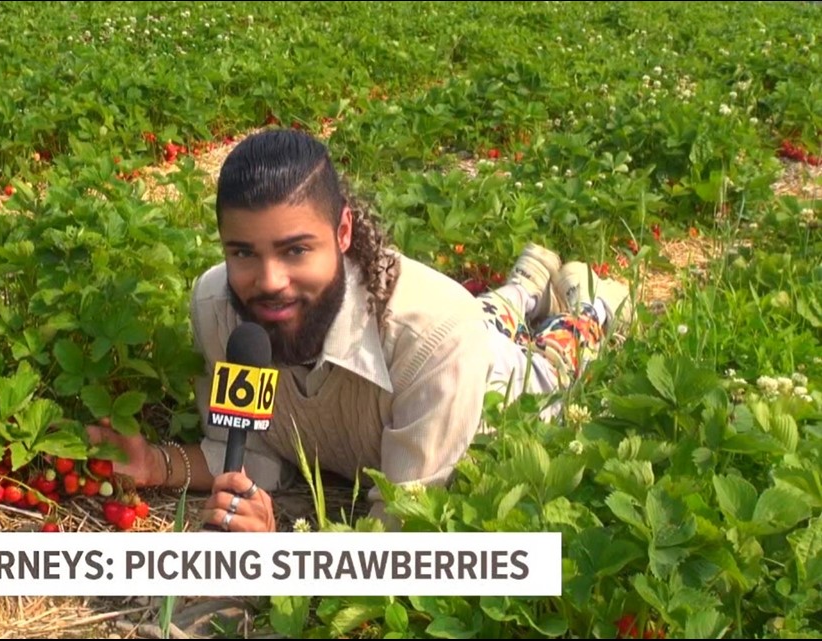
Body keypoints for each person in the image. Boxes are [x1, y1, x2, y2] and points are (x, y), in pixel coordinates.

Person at [87, 128, 634, 532]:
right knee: (489, 315)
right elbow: (248, 450)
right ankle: (525, 285)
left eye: (296, 249)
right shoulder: (218, 307)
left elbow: (400, 534)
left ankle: (595, 301)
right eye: (243, 253)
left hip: (490, 381)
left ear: (343, 231)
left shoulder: (436, 334)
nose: (269, 282)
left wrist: (280, 551)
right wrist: (154, 463)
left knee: (553, 355)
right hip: (463, 330)